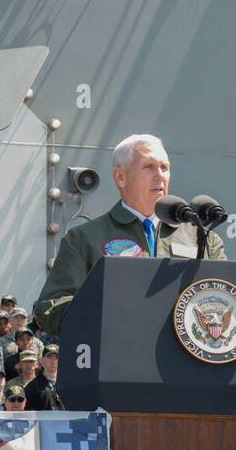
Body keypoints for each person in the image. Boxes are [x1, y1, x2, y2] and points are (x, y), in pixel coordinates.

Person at [34, 133, 226, 335]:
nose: (159, 175)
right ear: (121, 177)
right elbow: (49, 309)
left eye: (164, 167)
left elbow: (225, 297)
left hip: (186, 357)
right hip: (117, 356)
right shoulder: (83, 238)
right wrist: (109, 306)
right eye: (148, 167)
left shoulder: (203, 238)